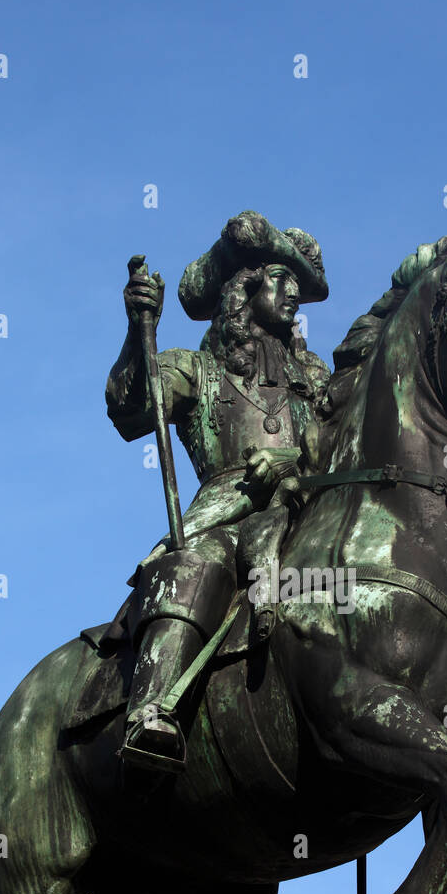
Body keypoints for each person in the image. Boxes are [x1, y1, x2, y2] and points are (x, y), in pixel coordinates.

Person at [104, 210, 331, 773]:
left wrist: (292, 463)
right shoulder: (199, 370)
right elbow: (133, 409)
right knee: (196, 562)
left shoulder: (317, 382)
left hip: (306, 508)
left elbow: (345, 449)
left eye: (297, 286)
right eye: (281, 279)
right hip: (225, 515)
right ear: (244, 288)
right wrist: (138, 331)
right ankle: (151, 710)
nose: (292, 296)